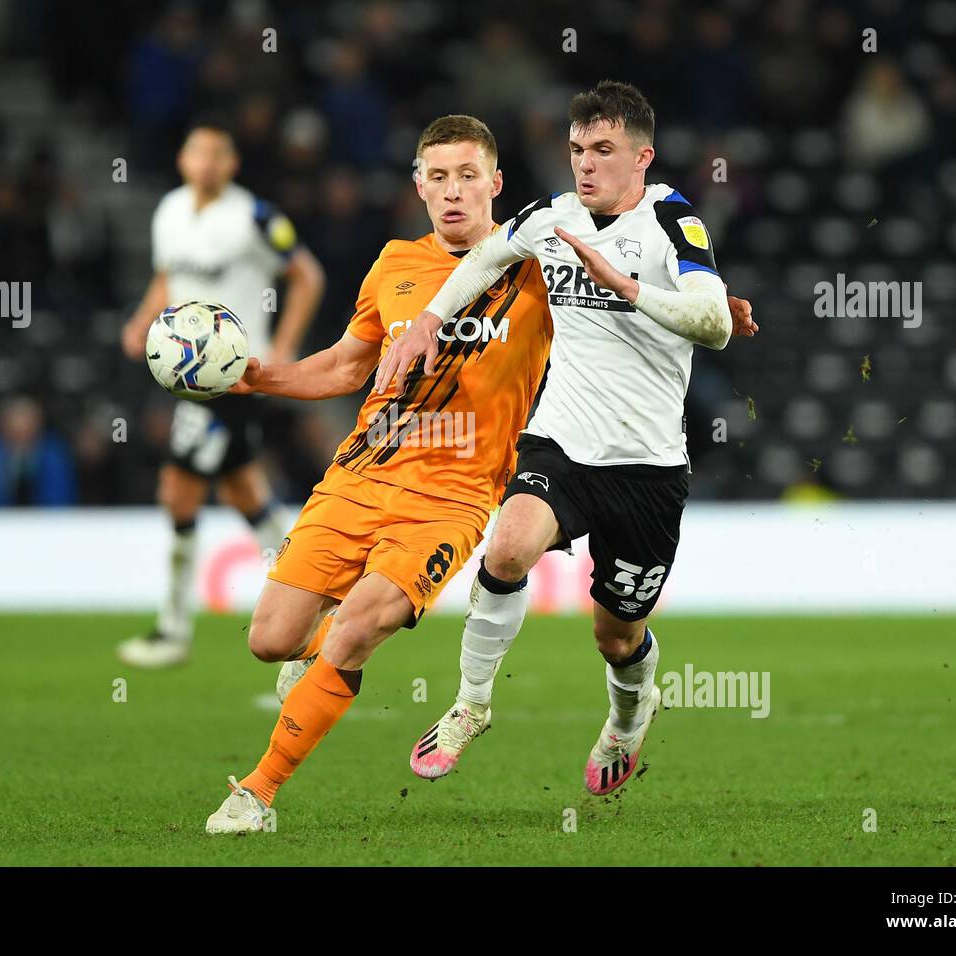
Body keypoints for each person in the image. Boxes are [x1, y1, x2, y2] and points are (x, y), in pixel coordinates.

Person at [203, 112, 755, 832]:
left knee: (362, 632)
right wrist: (254, 376)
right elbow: (345, 364)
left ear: (496, 184)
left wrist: (710, 308)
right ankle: (324, 653)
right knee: (270, 640)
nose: (453, 192)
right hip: (359, 475)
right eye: (438, 177)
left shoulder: (538, 262)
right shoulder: (394, 264)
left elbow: (616, 316)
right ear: (419, 187)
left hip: (455, 495)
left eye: (468, 176)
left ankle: (257, 792)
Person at [381, 81, 754, 797]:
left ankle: (627, 714)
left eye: (604, 150)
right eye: (578, 149)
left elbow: (715, 323)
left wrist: (628, 286)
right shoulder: (549, 219)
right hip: (562, 443)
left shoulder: (672, 221)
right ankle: (471, 704)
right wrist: (429, 319)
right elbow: (486, 259)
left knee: (614, 635)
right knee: (510, 546)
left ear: (642, 157)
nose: (586, 164)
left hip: (646, 467)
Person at [117, 118, 324, 668]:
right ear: (184, 160)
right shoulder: (169, 211)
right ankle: (317, 592)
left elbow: (307, 275)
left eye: (217, 153)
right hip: (189, 381)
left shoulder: (254, 217)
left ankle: (173, 629)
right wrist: (142, 320)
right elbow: (168, 278)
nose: (206, 163)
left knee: (177, 490)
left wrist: (282, 346)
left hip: (233, 380)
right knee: (243, 494)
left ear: (231, 164)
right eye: (197, 152)